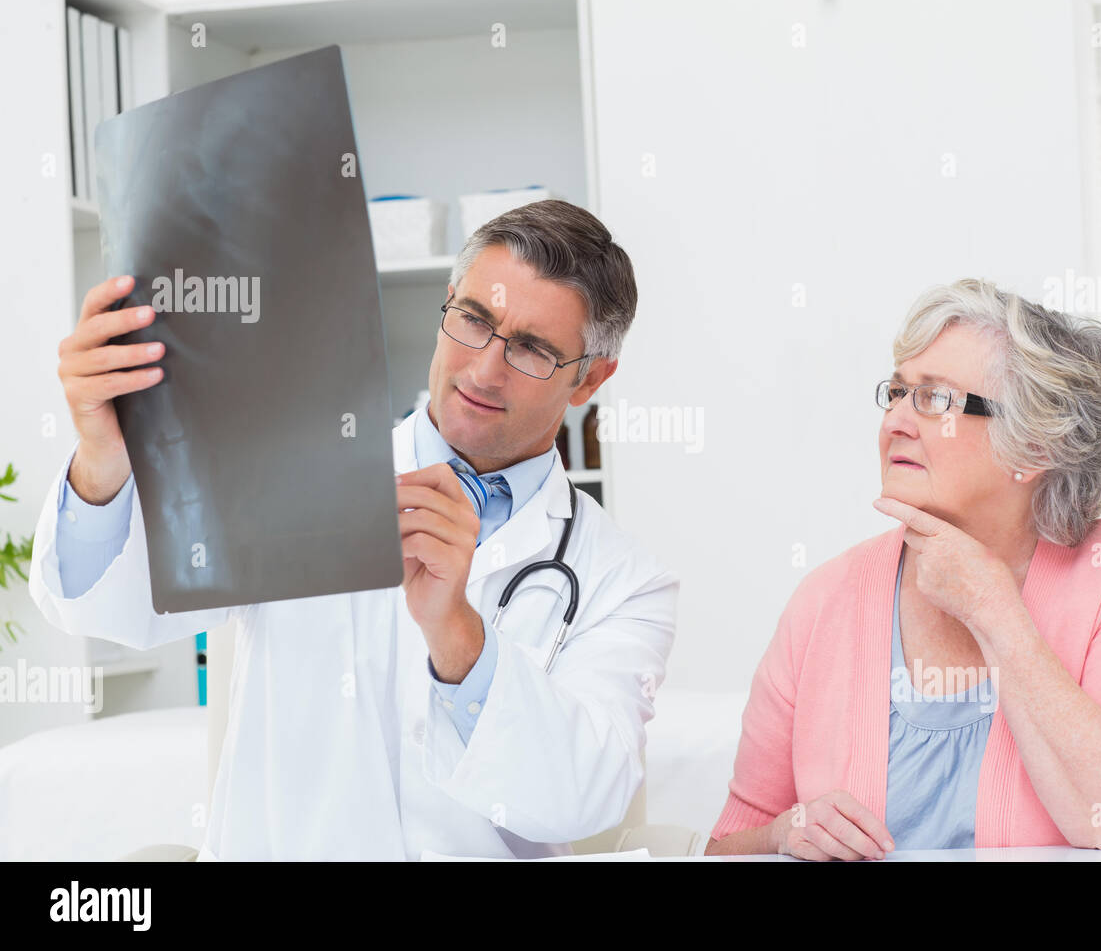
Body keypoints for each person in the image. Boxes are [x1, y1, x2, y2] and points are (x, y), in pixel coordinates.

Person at [28, 200, 678, 860]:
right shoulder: (288, 468)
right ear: (448, 303)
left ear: (590, 378)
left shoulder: (624, 580)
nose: (484, 369)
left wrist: (458, 635)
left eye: (533, 349)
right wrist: (103, 455)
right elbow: (111, 607)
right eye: (474, 320)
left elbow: (585, 796)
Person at [706, 278, 1101, 859]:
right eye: (898, 393)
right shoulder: (826, 596)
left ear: (1034, 446)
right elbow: (726, 846)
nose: (896, 423)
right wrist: (784, 834)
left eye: (936, 400)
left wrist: (994, 610)